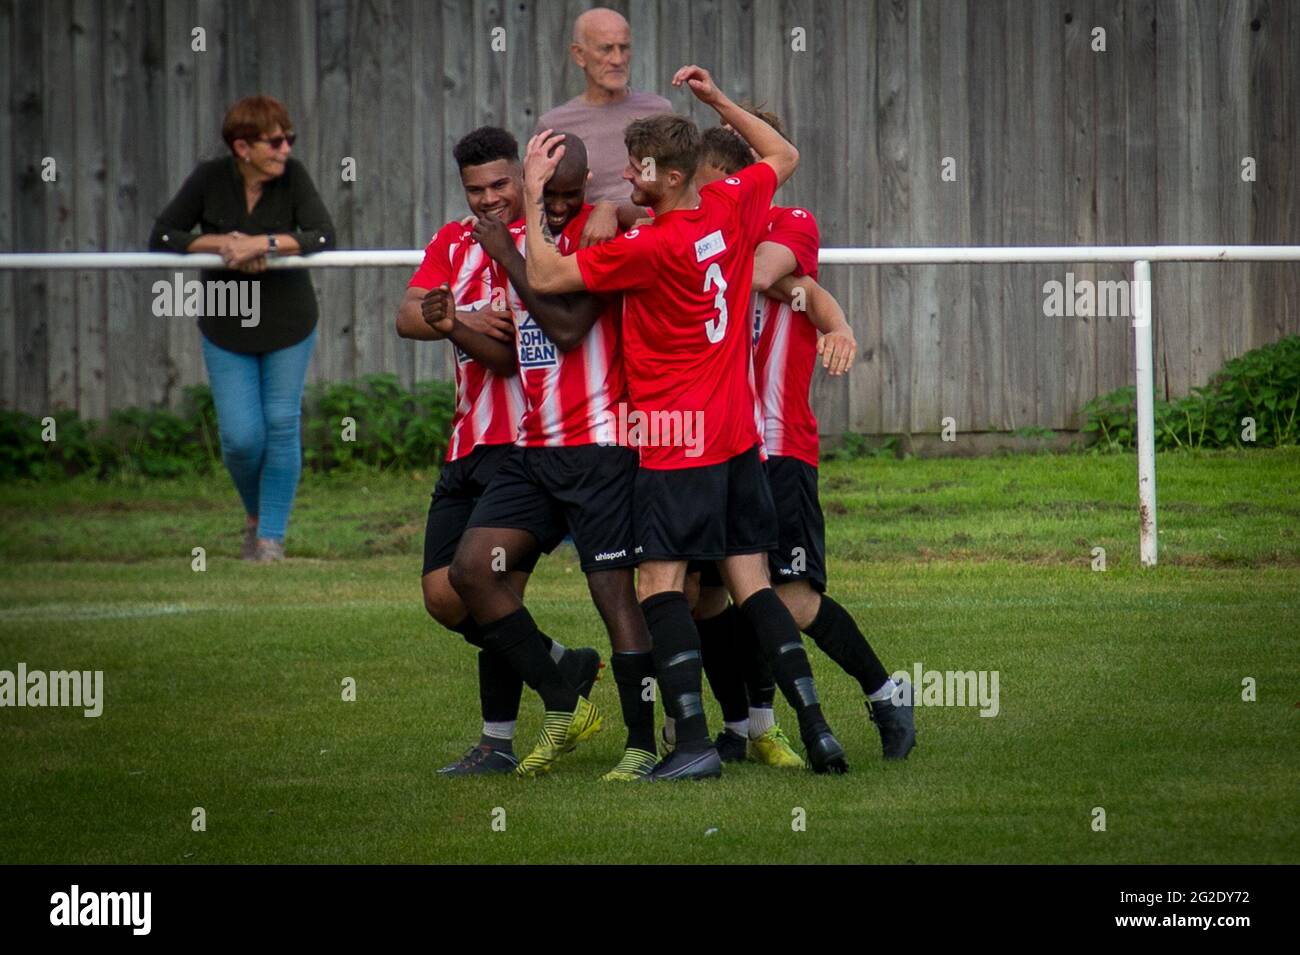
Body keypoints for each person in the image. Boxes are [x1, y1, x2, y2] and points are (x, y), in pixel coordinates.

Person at [522, 65, 849, 780]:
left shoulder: (650, 249)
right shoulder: (729, 204)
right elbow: (783, 156)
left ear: (668, 177)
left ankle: (694, 743)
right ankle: (818, 729)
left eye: (637, 169)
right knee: (751, 583)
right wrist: (718, 100)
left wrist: (530, 187)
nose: (627, 178)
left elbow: (546, 276)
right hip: (737, 435)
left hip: (676, 439)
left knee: (659, 585)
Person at [686, 121, 918, 763]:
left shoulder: (789, 223)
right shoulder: (692, 235)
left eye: (714, 190)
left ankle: (883, 691)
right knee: (706, 593)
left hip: (777, 446)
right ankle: (743, 725)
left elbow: (766, 270)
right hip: (708, 449)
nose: (703, 203)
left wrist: (828, 312)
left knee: (789, 597)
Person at [446, 133, 658, 781]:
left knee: (613, 597)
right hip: (533, 449)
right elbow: (515, 348)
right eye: (551, 194)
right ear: (533, 185)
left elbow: (566, 329)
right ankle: (565, 700)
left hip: (598, 448)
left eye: (574, 194)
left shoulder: (602, 239)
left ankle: (644, 746)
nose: (563, 206)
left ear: (589, 186)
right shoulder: (522, 236)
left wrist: (511, 254)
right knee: (473, 570)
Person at [395, 127, 600, 775]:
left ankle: (497, 742)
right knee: (443, 595)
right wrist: (445, 314)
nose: (487, 199)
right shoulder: (454, 240)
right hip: (465, 442)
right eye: (474, 189)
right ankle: (562, 665)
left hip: (521, 446)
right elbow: (406, 312)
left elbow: (512, 354)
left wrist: (452, 319)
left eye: (499, 185)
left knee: (488, 578)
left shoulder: (541, 243)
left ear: (523, 178)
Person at [149, 94, 334, 562]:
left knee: (280, 423)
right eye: (275, 142)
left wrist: (264, 244)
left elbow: (324, 234)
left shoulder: (293, 178)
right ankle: (254, 516)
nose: (286, 149)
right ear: (242, 147)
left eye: (288, 139)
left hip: (289, 320)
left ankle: (270, 537)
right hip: (226, 318)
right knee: (240, 436)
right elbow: (165, 234)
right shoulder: (210, 178)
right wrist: (222, 243)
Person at [535, 7, 671, 244]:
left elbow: (685, 189)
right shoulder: (555, 124)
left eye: (624, 47)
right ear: (579, 55)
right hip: (586, 249)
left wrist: (612, 208)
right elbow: (535, 200)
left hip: (659, 241)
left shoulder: (660, 112)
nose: (617, 59)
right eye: (606, 49)